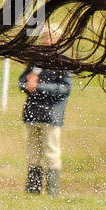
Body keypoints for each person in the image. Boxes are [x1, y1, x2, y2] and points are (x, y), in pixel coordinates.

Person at [20, 23, 74, 196]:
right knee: (32, 153)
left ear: (58, 38)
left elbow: (65, 89)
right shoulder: (36, 60)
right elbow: (22, 81)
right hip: (32, 113)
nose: (46, 39)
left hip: (51, 115)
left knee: (51, 152)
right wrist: (26, 85)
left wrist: (39, 87)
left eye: (49, 36)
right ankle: (33, 190)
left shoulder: (63, 61)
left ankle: (52, 191)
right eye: (44, 36)